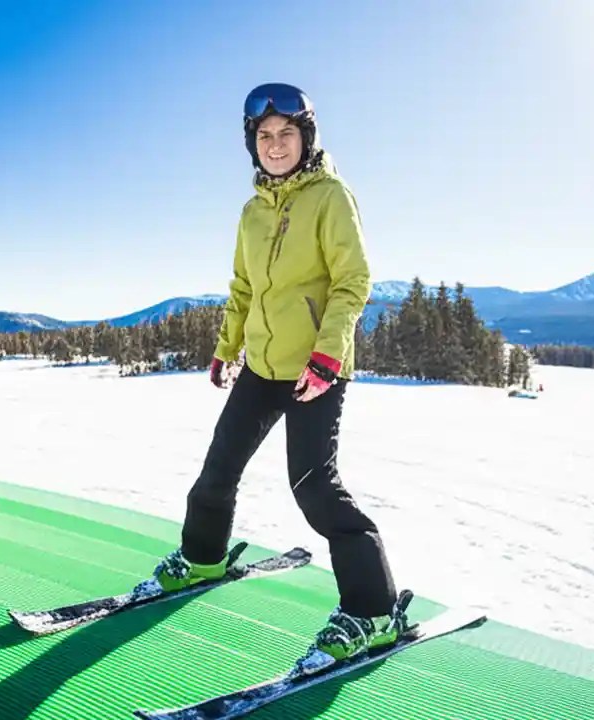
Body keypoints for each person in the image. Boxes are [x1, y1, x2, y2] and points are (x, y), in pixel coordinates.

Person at [146, 82, 406, 662]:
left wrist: (328, 355)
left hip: (316, 365)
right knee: (218, 469)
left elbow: (352, 282)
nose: (276, 144)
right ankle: (204, 556)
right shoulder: (252, 211)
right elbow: (243, 288)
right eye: (265, 136)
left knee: (314, 488)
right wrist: (225, 347)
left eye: (287, 133)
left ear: (305, 136)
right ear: (252, 144)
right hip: (262, 365)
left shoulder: (330, 195)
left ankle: (374, 609)